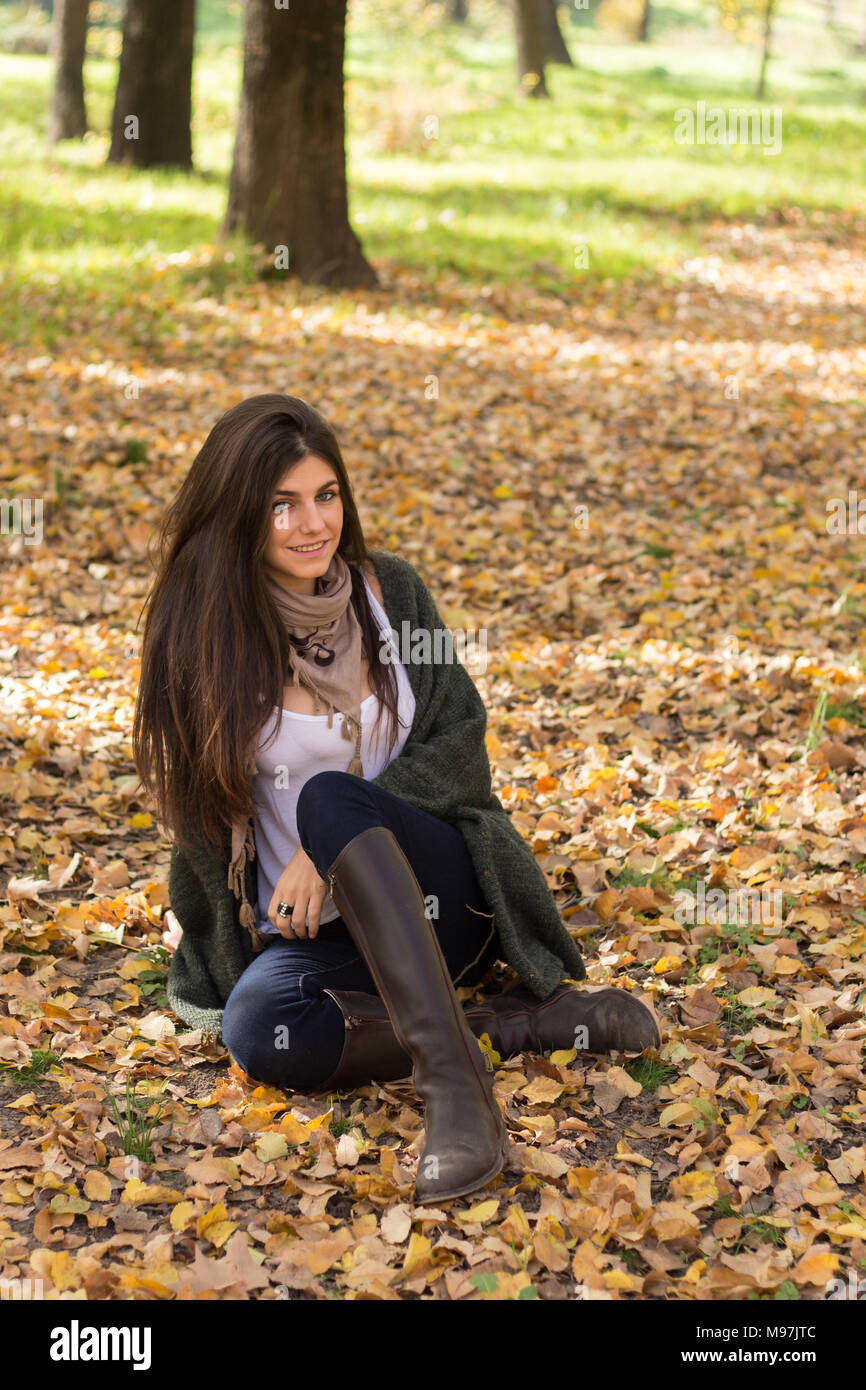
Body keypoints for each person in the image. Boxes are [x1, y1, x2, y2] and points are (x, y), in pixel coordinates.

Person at [133, 392, 659, 1204]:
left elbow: (460, 745)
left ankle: (455, 1093)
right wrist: (222, 938)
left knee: (330, 800)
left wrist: (322, 844)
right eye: (282, 505)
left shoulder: (391, 598)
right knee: (256, 1031)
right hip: (329, 941)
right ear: (239, 515)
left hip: (446, 903)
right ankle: (504, 1029)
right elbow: (202, 819)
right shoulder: (202, 634)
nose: (313, 524)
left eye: (326, 495)